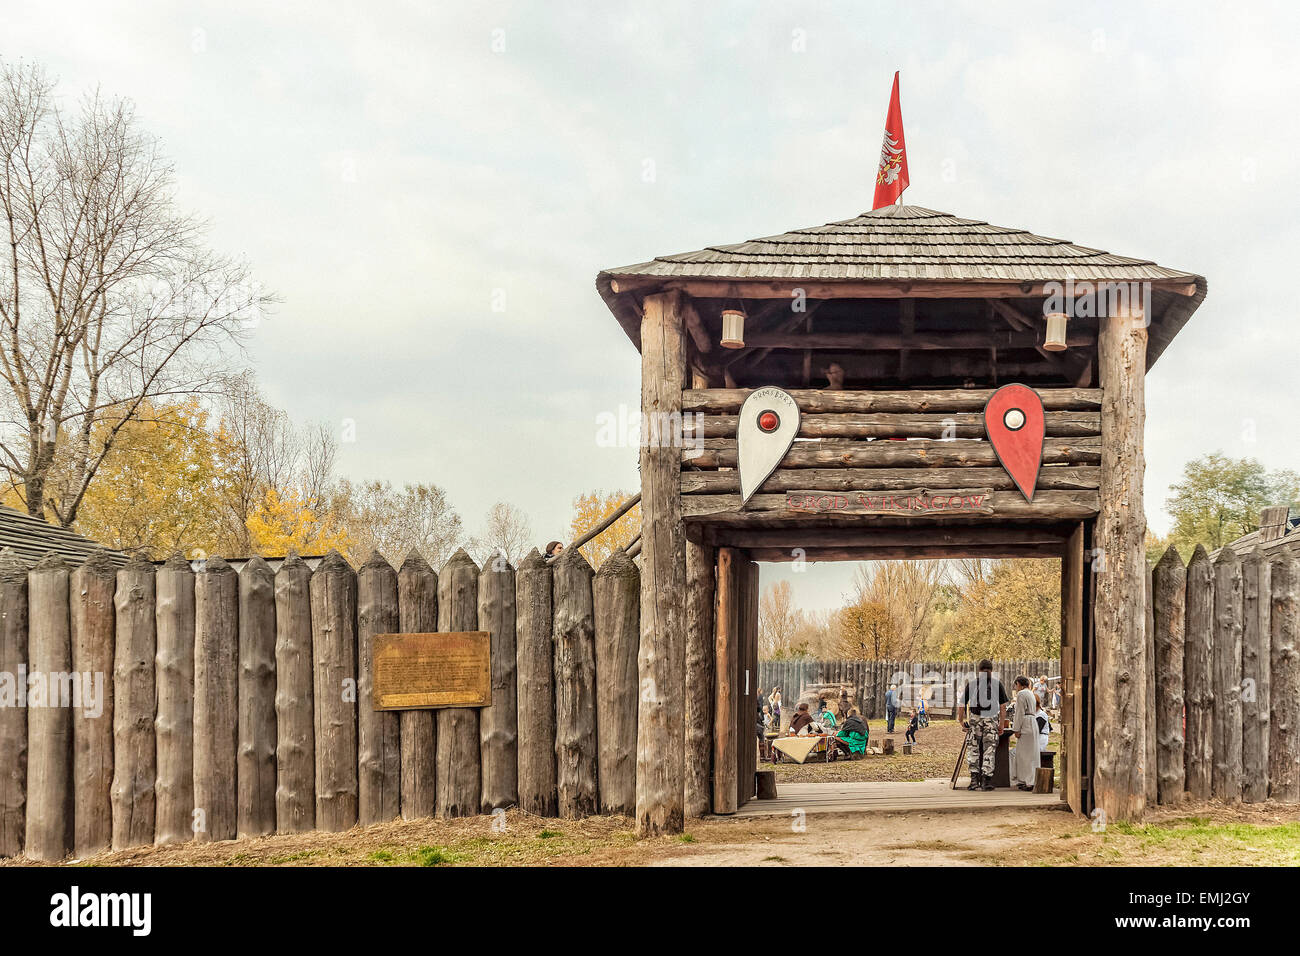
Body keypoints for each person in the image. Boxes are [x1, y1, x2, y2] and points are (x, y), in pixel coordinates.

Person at [957, 660, 1008, 792]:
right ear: (991, 670)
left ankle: (974, 780)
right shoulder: (997, 684)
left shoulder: (972, 684)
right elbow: (1003, 707)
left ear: (979, 670)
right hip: (991, 718)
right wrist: (1001, 724)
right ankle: (986, 781)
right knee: (989, 749)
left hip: (975, 719)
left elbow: (962, 704)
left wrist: (961, 721)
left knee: (973, 748)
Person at [1011, 676, 1040, 791]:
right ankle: (1028, 779)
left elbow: (1019, 712)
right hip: (1032, 722)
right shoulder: (1030, 693)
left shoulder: (1022, 694)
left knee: (1025, 755)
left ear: (1019, 684)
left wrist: (1016, 729)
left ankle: (1028, 781)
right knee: (1031, 754)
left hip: (1026, 724)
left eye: (1016, 685)